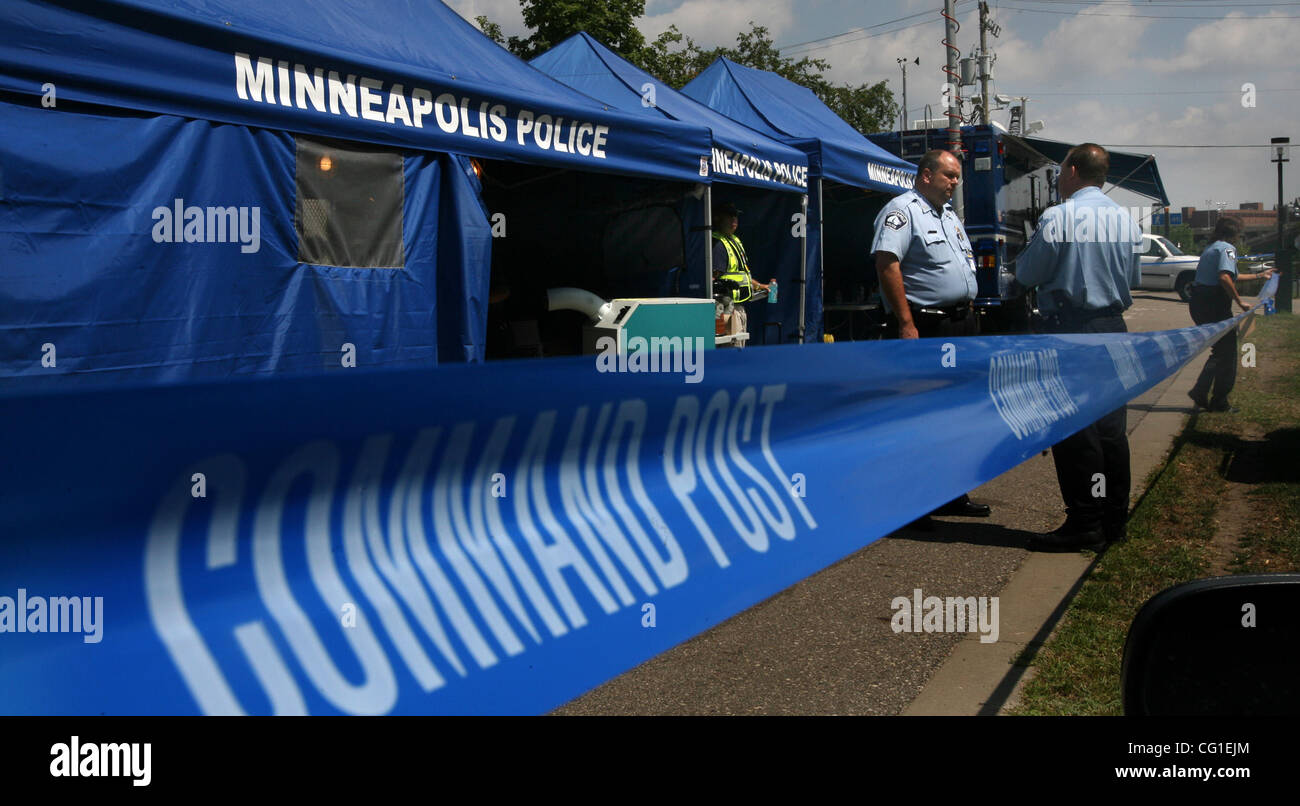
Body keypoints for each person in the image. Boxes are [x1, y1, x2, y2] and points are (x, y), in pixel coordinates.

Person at [1014, 143, 1139, 552]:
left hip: (1071, 329)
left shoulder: (1060, 217)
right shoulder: (1125, 220)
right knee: (1111, 431)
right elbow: (1132, 277)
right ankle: (1114, 518)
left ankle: (1085, 521)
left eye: (1060, 169)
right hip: (1113, 329)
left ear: (1071, 170)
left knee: (1075, 430)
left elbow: (1028, 273)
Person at [871, 148, 991, 521]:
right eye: (949, 176)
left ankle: (951, 493)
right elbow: (887, 263)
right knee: (919, 417)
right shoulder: (902, 211)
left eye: (956, 177)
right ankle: (914, 503)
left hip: (959, 325)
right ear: (926, 175)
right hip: (927, 326)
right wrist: (906, 324)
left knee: (954, 416)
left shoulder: (949, 216)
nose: (955, 183)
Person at [1186, 216, 1274, 413]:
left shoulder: (1212, 248)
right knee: (1228, 353)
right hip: (1214, 304)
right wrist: (1239, 301)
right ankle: (1219, 401)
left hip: (1200, 302)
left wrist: (1260, 275)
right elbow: (1224, 277)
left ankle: (1200, 391)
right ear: (1234, 233)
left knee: (1220, 350)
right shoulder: (1227, 249)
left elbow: (1231, 275)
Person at [711, 202, 772, 346]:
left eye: (736, 216)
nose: (734, 220)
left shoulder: (735, 241)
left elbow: (743, 275)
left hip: (738, 308)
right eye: (729, 216)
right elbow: (711, 279)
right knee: (730, 352)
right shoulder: (717, 244)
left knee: (738, 349)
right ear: (718, 218)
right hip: (726, 309)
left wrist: (760, 286)